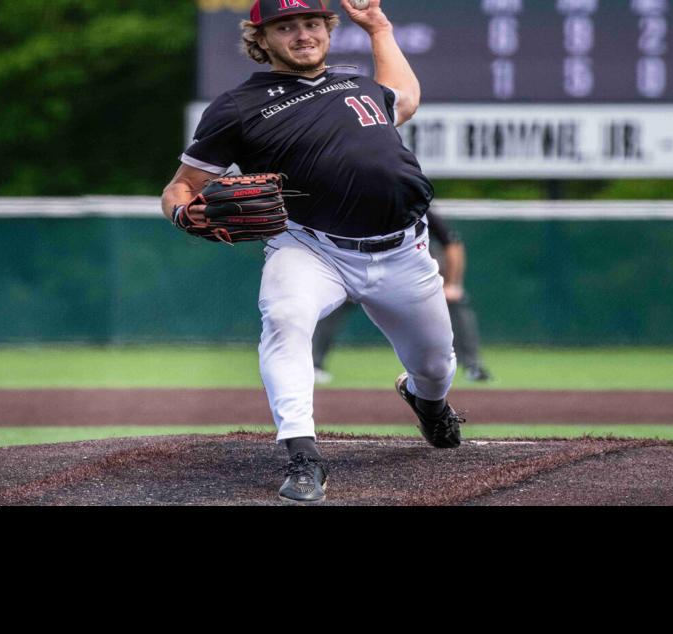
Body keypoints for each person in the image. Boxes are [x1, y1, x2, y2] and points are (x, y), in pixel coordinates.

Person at [160, 0, 463, 503]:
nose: (302, 34)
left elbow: (405, 97)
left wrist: (379, 29)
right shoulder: (237, 106)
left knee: (435, 366)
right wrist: (179, 212)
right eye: (286, 27)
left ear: (326, 30)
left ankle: (426, 402)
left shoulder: (359, 84)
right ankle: (303, 455)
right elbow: (181, 187)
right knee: (285, 317)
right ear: (261, 39)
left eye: (312, 23)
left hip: (403, 251)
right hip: (310, 248)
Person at [313, 207, 493, 383]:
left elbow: (451, 243)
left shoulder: (409, 203)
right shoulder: (349, 205)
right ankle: (314, 364)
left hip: (404, 270)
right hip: (358, 266)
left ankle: (472, 366)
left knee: (453, 302)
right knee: (330, 304)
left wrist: (453, 284)